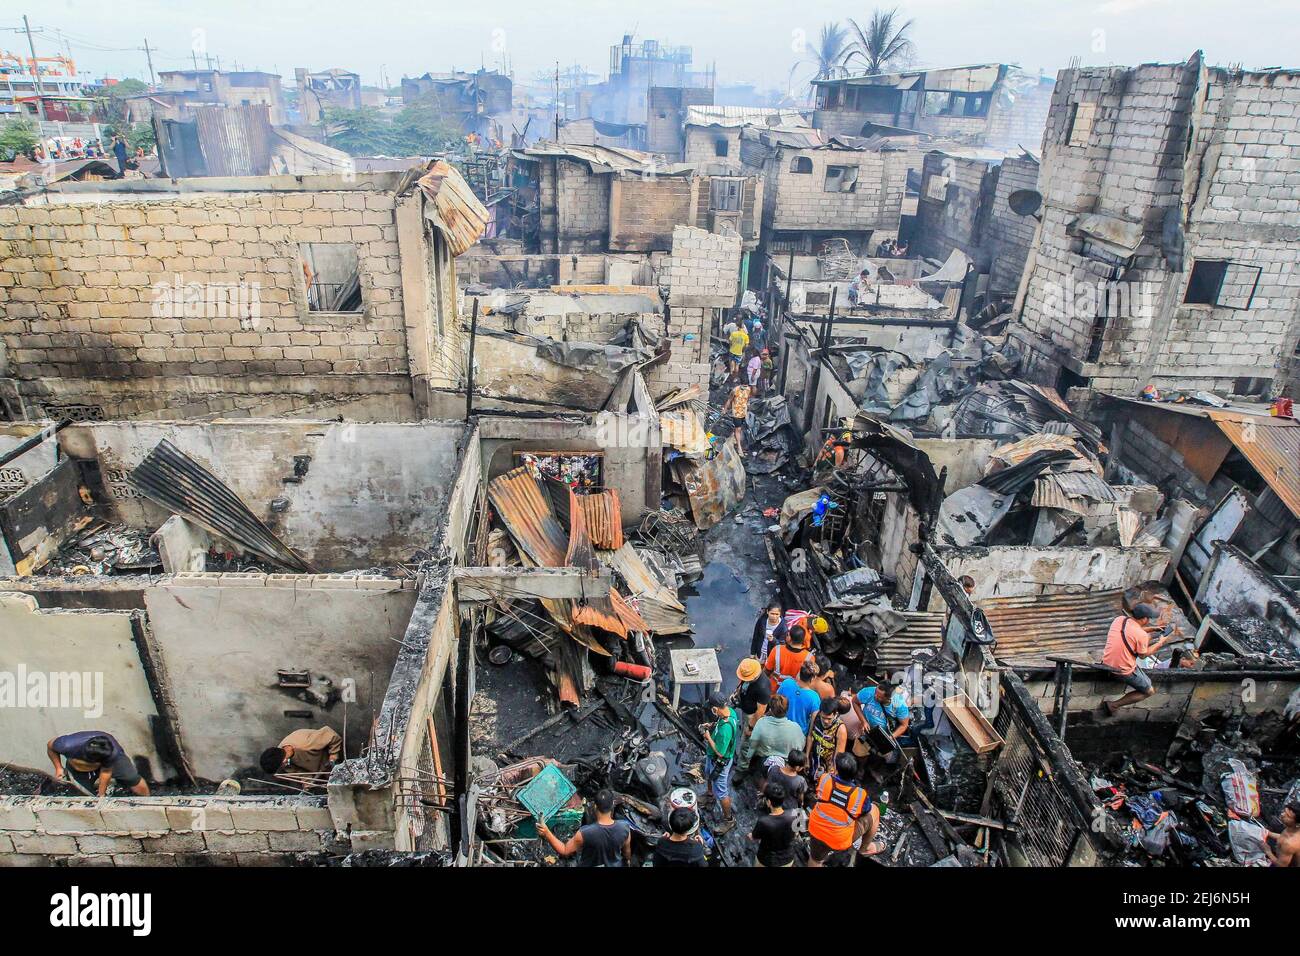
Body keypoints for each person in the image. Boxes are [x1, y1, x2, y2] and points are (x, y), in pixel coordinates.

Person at [1101, 603, 1177, 715]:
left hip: (1106, 662)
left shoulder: (1120, 620)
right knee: (1149, 691)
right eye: (1149, 618)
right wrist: (1160, 642)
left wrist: (1152, 629)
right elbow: (1143, 655)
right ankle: (1113, 705)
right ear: (1144, 619)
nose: (1149, 620)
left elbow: (1131, 631)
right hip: (1122, 670)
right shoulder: (1141, 635)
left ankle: (1113, 704)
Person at [807, 753, 881, 866]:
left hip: (816, 830)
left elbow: (820, 792)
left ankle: (816, 860)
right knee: (875, 810)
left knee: (815, 859)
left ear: (837, 770)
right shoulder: (860, 794)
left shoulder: (825, 779)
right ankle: (863, 850)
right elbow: (866, 810)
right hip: (839, 840)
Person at [538, 789, 632, 866]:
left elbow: (564, 850)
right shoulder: (625, 827)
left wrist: (547, 832)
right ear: (612, 805)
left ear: (595, 807)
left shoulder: (585, 832)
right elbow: (627, 854)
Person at [47, 731, 149, 797]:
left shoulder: (113, 753)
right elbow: (50, 746)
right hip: (78, 767)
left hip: (112, 758)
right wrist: (59, 768)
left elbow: (105, 773)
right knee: (81, 793)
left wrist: (101, 795)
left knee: (132, 778)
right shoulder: (66, 745)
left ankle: (148, 800)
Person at [702, 692, 741, 833]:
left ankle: (729, 819)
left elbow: (720, 752)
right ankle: (709, 796)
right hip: (711, 757)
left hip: (719, 760)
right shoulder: (730, 712)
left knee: (722, 791)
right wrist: (712, 725)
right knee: (707, 773)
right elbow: (720, 722)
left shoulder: (725, 730)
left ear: (715, 709)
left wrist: (708, 737)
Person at [738, 694, 806, 773]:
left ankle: (741, 770)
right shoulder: (796, 728)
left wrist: (747, 760)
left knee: (746, 742)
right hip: (786, 764)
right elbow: (800, 746)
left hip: (763, 762)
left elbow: (752, 745)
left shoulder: (762, 723)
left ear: (770, 710)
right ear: (787, 710)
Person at [259, 726, 343, 777]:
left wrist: (333, 753)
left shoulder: (305, 744)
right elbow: (297, 771)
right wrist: (306, 780)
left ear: (283, 760)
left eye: (281, 765)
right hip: (317, 768)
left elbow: (332, 735)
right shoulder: (280, 757)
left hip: (327, 759)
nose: (282, 767)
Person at [749, 781, 797, 867]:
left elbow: (753, 837)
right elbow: (798, 831)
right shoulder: (794, 813)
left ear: (769, 802)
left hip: (767, 861)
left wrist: (749, 835)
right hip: (788, 859)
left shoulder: (764, 822)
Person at [777, 661, 822, 735]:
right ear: (813, 678)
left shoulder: (787, 683)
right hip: (798, 734)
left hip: (780, 727)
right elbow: (813, 722)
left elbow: (776, 702)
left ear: (799, 672)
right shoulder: (814, 697)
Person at [807, 697, 848, 778]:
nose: (826, 721)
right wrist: (807, 756)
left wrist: (832, 772)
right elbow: (810, 735)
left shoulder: (840, 729)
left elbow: (838, 755)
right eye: (823, 718)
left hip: (828, 765)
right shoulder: (815, 715)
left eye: (829, 719)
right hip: (814, 757)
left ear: (835, 713)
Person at [764, 625, 814, 693]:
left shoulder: (777, 650)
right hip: (793, 693)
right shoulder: (809, 657)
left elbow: (767, 671)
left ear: (789, 638)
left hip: (774, 690)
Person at [763, 748, 809, 813]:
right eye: (802, 767)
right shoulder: (800, 781)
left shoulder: (774, 769)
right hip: (789, 809)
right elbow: (800, 798)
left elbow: (766, 785)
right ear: (797, 767)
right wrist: (801, 804)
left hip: (773, 805)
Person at [734, 657, 771, 731]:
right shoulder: (751, 670)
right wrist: (737, 692)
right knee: (744, 721)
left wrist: (751, 726)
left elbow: (760, 710)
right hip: (746, 705)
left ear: (753, 677)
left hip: (751, 714)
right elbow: (743, 682)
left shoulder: (763, 688)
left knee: (746, 736)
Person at [720, 380, 752, 455]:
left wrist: (748, 408)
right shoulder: (735, 390)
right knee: (738, 429)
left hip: (744, 413)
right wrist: (725, 409)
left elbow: (748, 400)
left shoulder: (748, 389)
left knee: (740, 429)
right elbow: (729, 400)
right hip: (736, 413)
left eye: (746, 386)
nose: (745, 388)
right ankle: (739, 447)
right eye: (743, 386)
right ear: (740, 384)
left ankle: (733, 439)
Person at [1264, 802, 1300, 867]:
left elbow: (1281, 865)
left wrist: (1268, 852)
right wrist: (1268, 833)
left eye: (1288, 816)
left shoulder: (1289, 844)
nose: (1282, 814)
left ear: (1297, 824)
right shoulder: (1293, 828)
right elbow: (1284, 837)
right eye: (1284, 811)